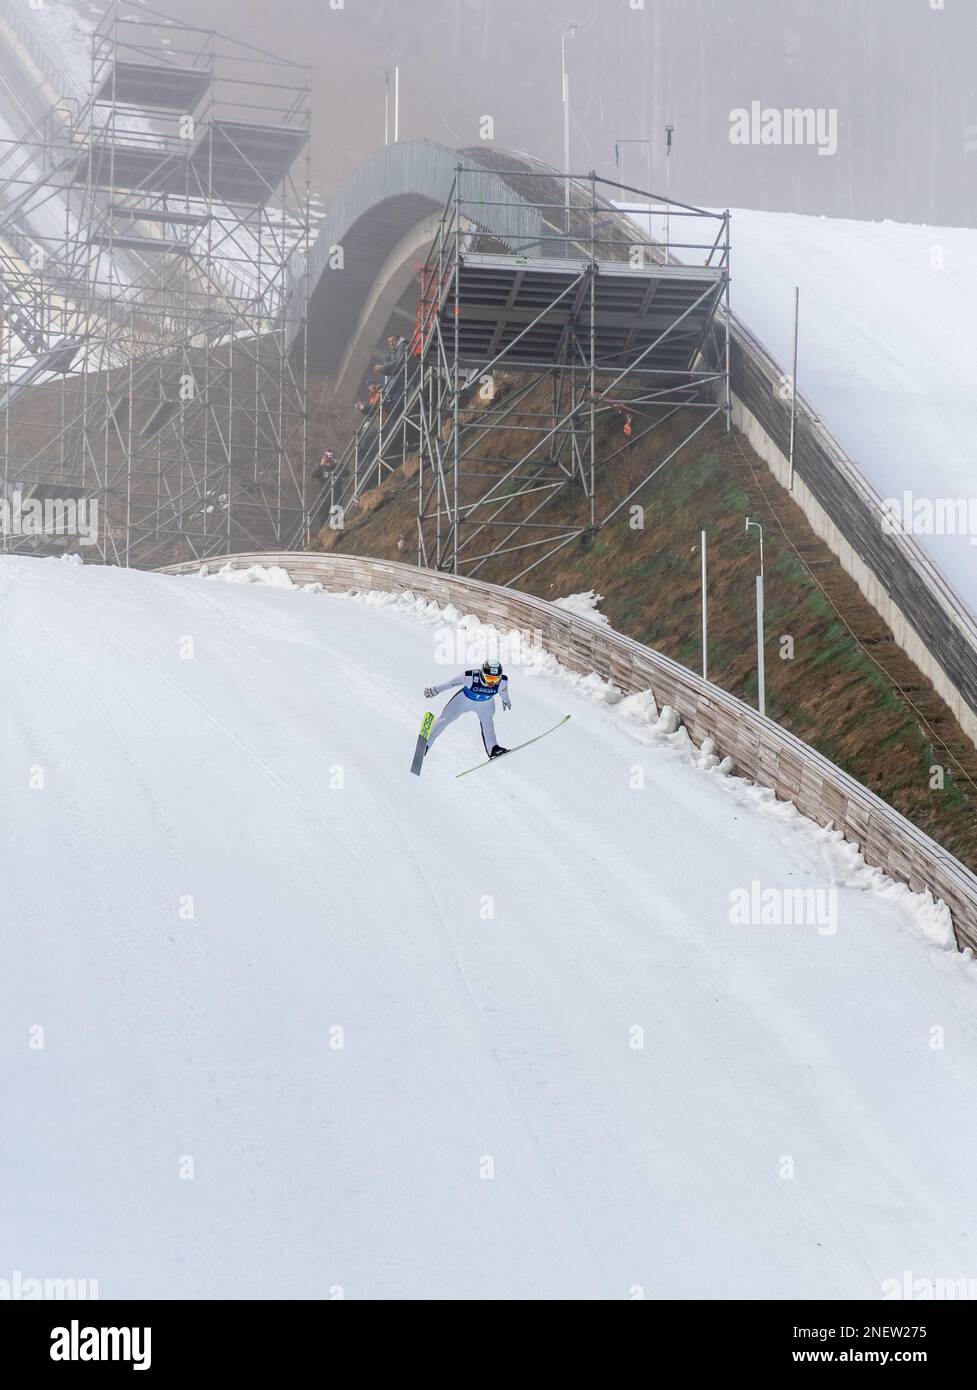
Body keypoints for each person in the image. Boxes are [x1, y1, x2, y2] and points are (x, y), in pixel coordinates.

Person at [424, 660, 510, 759]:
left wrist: (506, 700)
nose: (492, 682)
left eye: (495, 679)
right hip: (464, 701)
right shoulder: (470, 677)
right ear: (482, 674)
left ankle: (493, 749)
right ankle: (426, 743)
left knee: (488, 724)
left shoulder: (503, 681)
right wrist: (435, 690)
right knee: (445, 719)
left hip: (485, 704)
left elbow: (504, 692)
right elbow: (450, 683)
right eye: (489, 678)